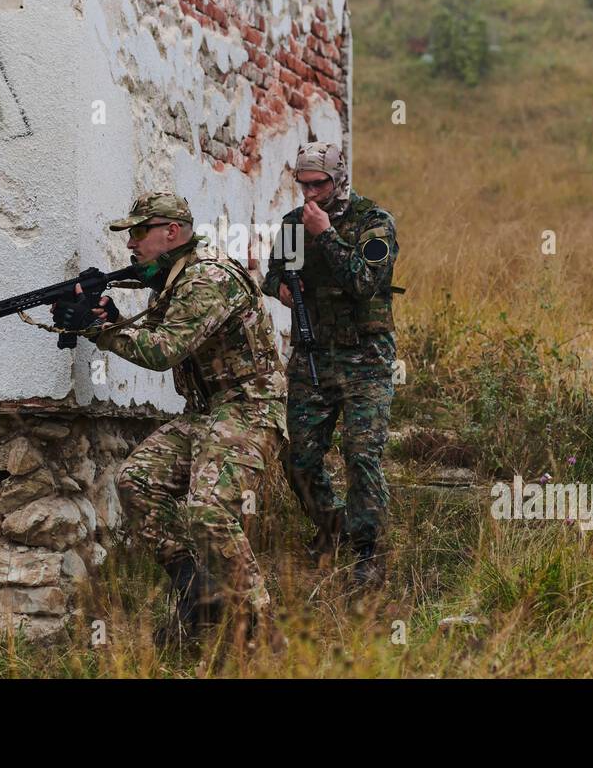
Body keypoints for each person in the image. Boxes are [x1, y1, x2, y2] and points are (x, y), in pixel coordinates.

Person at [52, 192, 286, 646]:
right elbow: (155, 330)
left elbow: (163, 351)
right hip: (208, 414)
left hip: (250, 410)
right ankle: (197, 593)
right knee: (136, 481)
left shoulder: (206, 279)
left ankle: (258, 627)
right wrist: (108, 315)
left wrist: (100, 331)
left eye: (139, 232)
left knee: (208, 508)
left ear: (171, 232)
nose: (131, 244)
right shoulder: (173, 277)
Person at [261, 143, 399, 587]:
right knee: (299, 458)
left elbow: (364, 281)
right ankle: (331, 526)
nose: (310, 194)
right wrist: (282, 289)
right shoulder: (293, 225)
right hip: (314, 355)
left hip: (365, 358)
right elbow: (273, 275)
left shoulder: (374, 222)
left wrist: (325, 235)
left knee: (361, 455)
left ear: (339, 179)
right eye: (303, 185)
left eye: (318, 184)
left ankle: (367, 550)